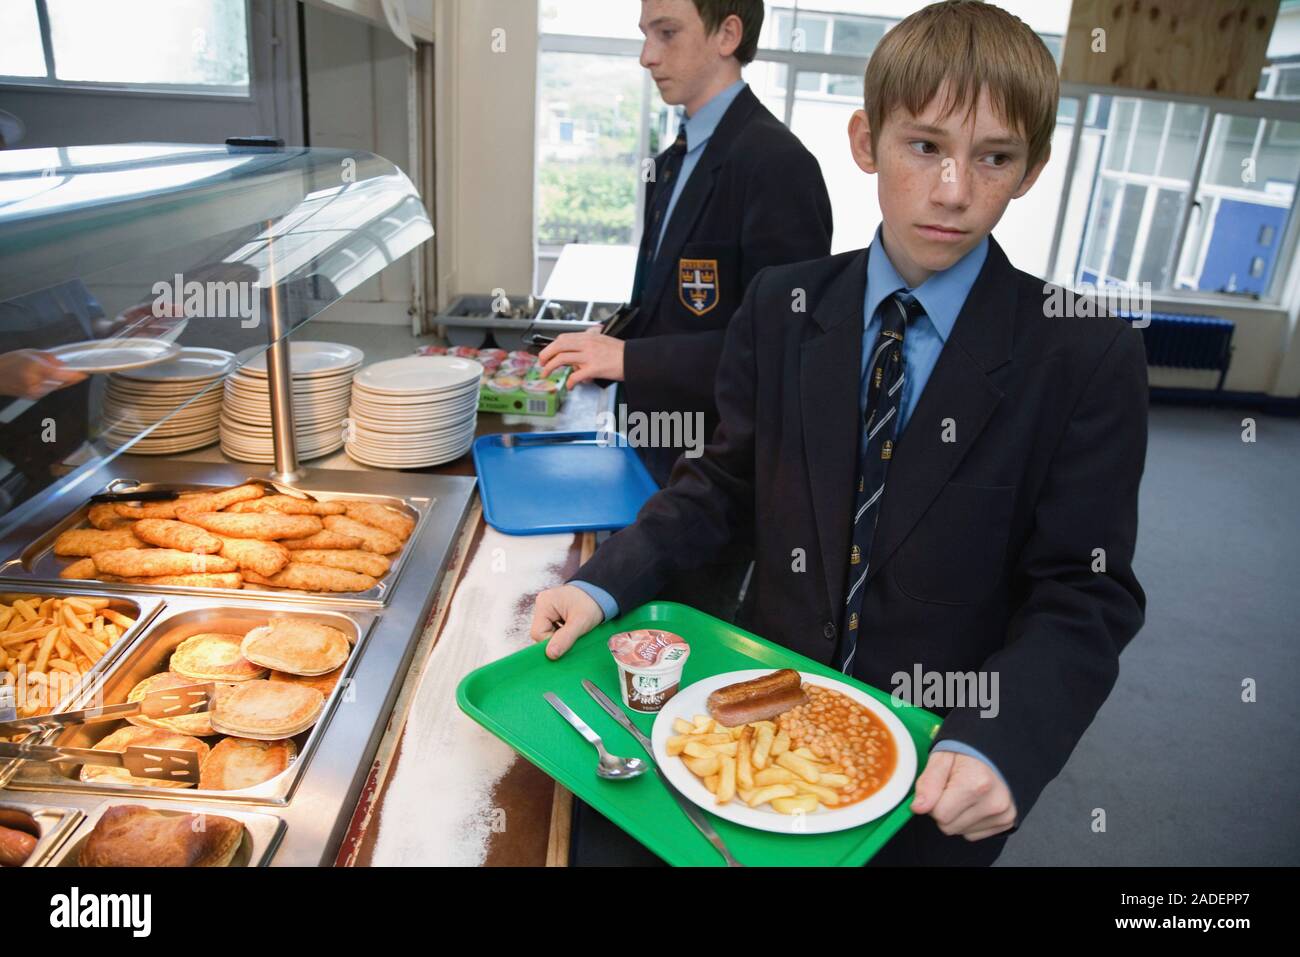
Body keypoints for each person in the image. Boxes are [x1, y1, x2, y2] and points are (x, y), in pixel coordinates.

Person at [531, 0, 1148, 866]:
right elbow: (723, 484)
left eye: (994, 158)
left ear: (1033, 168)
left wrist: (1004, 739)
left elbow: (1085, 591)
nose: (953, 191)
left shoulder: (1082, 353)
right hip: (757, 731)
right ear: (866, 141)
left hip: (935, 769)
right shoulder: (783, 307)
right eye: (924, 145)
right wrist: (605, 583)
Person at [538, 0, 832, 491]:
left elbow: (783, 345)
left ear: (727, 34)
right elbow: (666, 300)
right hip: (651, 443)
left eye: (667, 33)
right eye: (645, 34)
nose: (647, 56)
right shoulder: (674, 159)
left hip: (713, 466)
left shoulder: (778, 165)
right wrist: (610, 337)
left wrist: (628, 359)